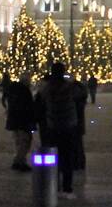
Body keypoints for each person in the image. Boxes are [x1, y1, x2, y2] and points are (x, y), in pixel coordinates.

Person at [36, 62, 87, 194]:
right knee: (67, 157)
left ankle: (54, 184)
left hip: (52, 127)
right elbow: (82, 93)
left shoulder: (47, 89)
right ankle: (67, 186)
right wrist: (73, 81)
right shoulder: (69, 88)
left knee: (54, 158)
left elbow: (40, 99)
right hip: (68, 126)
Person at [3, 74, 37, 171]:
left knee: (18, 141)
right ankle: (19, 161)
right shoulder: (24, 91)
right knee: (24, 142)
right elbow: (28, 107)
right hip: (23, 121)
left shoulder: (13, 90)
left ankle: (18, 160)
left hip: (14, 121)